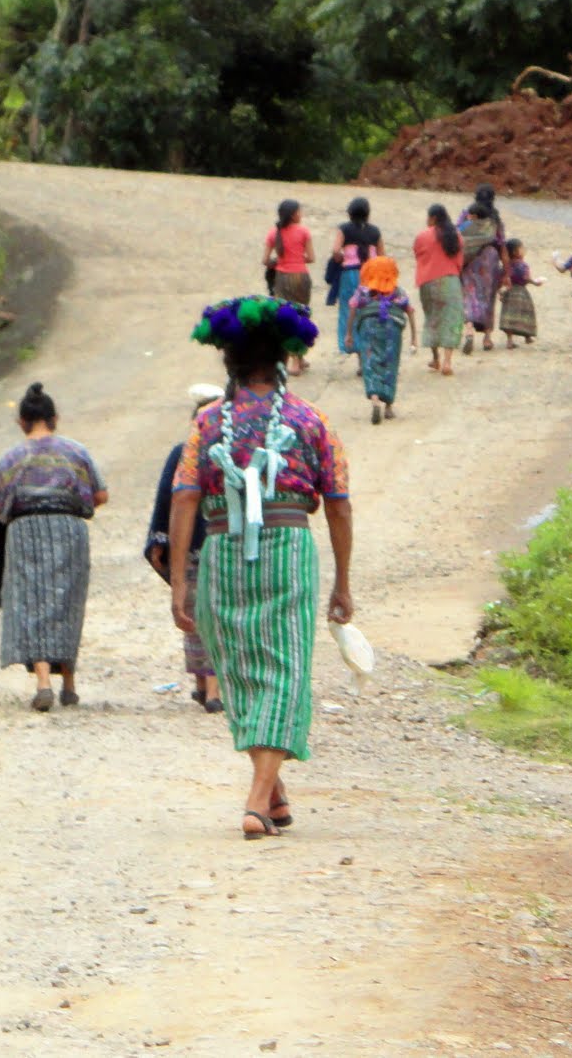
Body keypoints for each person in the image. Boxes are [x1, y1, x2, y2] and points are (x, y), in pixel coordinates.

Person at [170, 295, 354, 840]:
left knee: (241, 671)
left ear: (227, 361)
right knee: (285, 669)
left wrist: (181, 580)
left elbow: (184, 499)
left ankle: (270, 794)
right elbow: (339, 502)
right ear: (280, 361)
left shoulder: (206, 424)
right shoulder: (311, 420)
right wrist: (342, 581)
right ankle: (258, 799)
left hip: (224, 554)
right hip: (289, 552)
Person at [0, 383, 109, 712]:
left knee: (32, 602)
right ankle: (68, 683)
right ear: (55, 419)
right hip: (68, 529)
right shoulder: (75, 452)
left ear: (22, 421)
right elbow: (100, 496)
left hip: (25, 531)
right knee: (66, 602)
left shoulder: (10, 458)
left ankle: (42, 682)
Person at [145, 384, 225, 714]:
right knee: (221, 615)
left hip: (191, 551)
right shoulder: (236, 452)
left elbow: (169, 499)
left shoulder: (182, 453)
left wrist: (158, 543)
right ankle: (214, 689)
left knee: (194, 616)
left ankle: (205, 686)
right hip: (227, 548)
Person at [344, 255, 417, 425]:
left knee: (370, 361)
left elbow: (353, 309)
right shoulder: (398, 292)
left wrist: (349, 333)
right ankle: (389, 407)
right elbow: (410, 311)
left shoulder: (364, 291)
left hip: (368, 327)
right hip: (393, 329)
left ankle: (375, 399)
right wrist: (414, 337)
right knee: (391, 363)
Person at [263, 199, 315, 375]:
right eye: (299, 212)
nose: (301, 214)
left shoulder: (273, 234)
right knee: (301, 315)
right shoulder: (303, 232)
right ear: (293, 215)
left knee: (286, 316)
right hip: (301, 277)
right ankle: (298, 357)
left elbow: (265, 260)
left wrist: (279, 261)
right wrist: (298, 259)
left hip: (282, 278)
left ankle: (295, 358)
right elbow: (311, 257)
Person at [413, 204, 465, 375]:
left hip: (429, 281)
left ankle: (435, 359)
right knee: (451, 320)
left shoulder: (423, 236)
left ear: (433, 218)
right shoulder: (456, 236)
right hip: (451, 281)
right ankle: (447, 362)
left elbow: (418, 254)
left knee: (432, 317)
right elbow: (460, 261)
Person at [331, 197, 383, 363]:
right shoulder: (375, 231)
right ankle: (367, 354)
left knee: (350, 310)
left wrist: (341, 258)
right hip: (372, 276)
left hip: (350, 275)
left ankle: (356, 349)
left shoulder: (344, 229)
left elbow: (335, 251)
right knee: (370, 312)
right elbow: (382, 257)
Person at [457, 197, 510, 353]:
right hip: (490, 262)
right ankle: (487, 338)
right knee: (488, 299)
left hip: (469, 264)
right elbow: (503, 248)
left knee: (469, 297)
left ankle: (468, 329)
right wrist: (507, 273)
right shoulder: (494, 224)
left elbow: (456, 239)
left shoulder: (465, 223)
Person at [498, 238, 544, 348]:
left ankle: (509, 340)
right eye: (522, 249)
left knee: (510, 316)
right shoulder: (523, 265)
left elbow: (501, 279)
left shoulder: (506, 266)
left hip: (509, 292)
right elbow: (526, 277)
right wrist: (535, 282)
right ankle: (527, 336)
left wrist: (500, 292)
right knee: (526, 314)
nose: (524, 251)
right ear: (515, 252)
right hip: (521, 293)